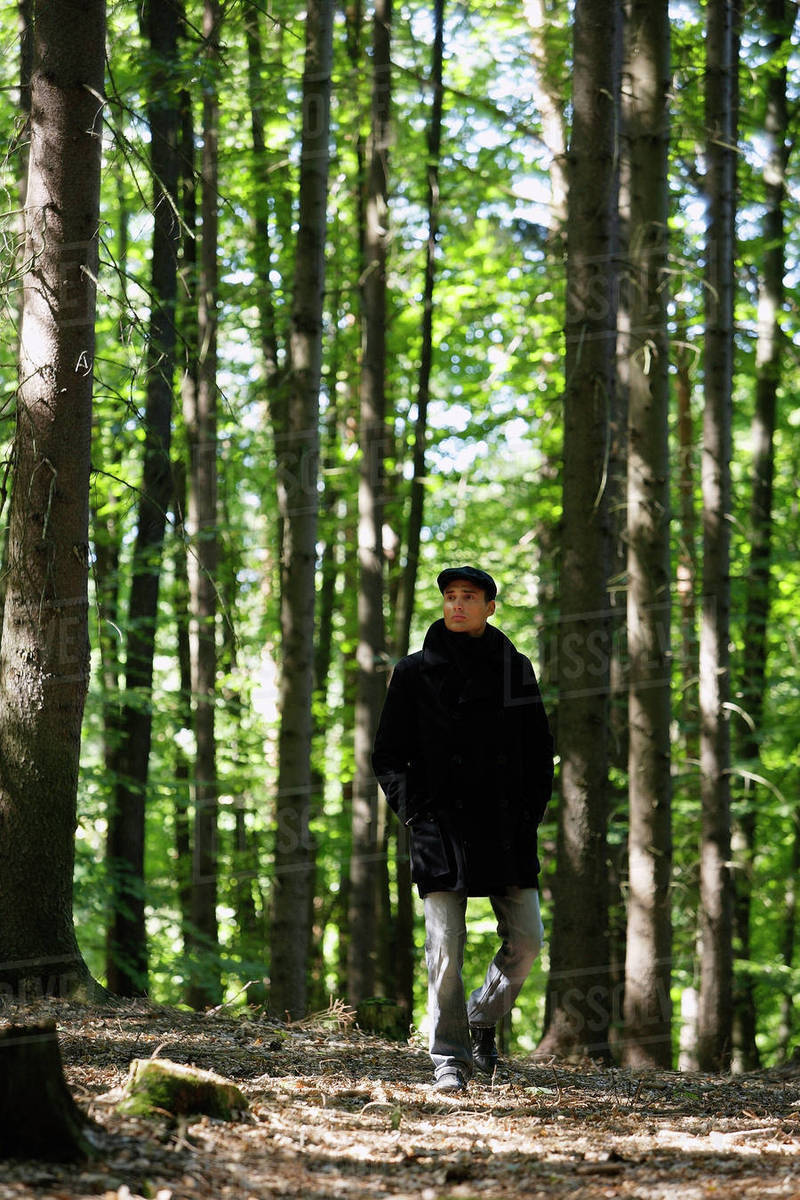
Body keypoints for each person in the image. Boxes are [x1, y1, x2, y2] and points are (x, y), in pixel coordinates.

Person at [372, 565, 554, 1092]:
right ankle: (448, 1058)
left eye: (468, 597)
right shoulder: (412, 673)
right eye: (450, 596)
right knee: (445, 946)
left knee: (527, 939)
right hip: (440, 828)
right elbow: (387, 755)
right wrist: (415, 814)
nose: (456, 604)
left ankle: (480, 1016)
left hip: (505, 828)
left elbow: (541, 748)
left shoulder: (515, 668)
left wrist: (529, 812)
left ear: (489, 606)